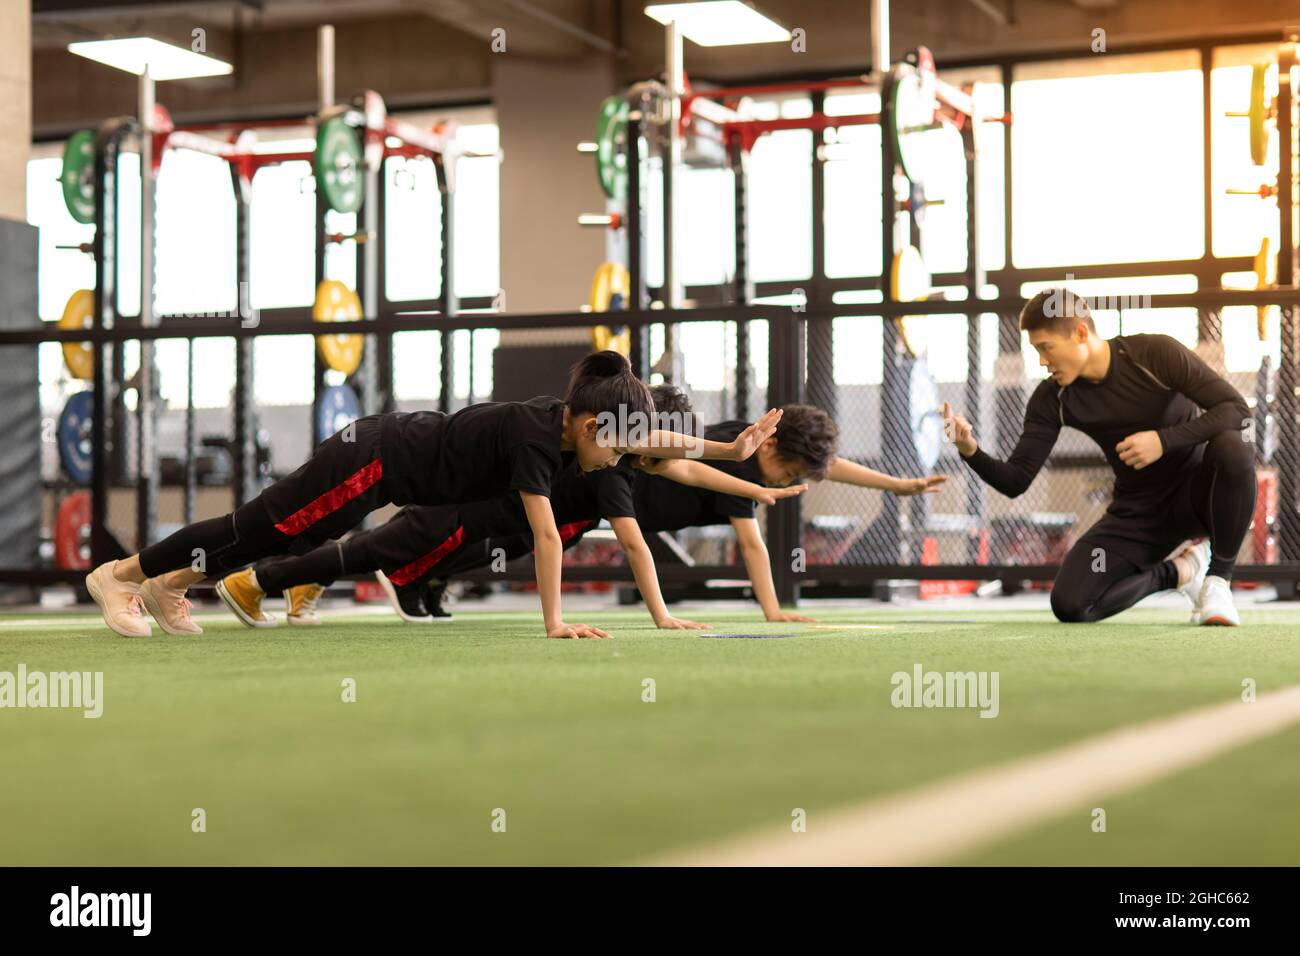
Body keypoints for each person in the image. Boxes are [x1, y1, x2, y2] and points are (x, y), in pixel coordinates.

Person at [85, 352, 784, 640]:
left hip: (387, 468)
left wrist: (729, 449)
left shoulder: (576, 428)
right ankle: (119, 575)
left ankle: (166, 584)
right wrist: (554, 623)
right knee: (260, 526)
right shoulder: (538, 442)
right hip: (376, 457)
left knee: (281, 537)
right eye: (620, 444)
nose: (627, 459)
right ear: (593, 424)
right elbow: (544, 538)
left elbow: (663, 446)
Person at [331, 389, 946, 624]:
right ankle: (324, 567)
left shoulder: (762, 458)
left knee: (500, 544)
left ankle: (420, 581)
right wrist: (771, 611)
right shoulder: (735, 451)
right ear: (770, 444)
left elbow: (828, 464)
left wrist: (897, 487)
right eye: (782, 471)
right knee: (456, 523)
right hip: (595, 489)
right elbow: (748, 543)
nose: (785, 482)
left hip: (590, 504)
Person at [943, 288, 1256, 626]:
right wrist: (969, 451)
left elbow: (1237, 410)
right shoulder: (1053, 398)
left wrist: (1164, 441)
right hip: (1139, 516)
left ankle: (1218, 580)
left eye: (1046, 348)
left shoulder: (1153, 354)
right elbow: (1016, 480)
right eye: (1036, 350)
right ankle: (1180, 571)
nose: (1042, 361)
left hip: (1200, 498)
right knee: (1072, 604)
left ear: (1080, 333)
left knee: (1233, 447)